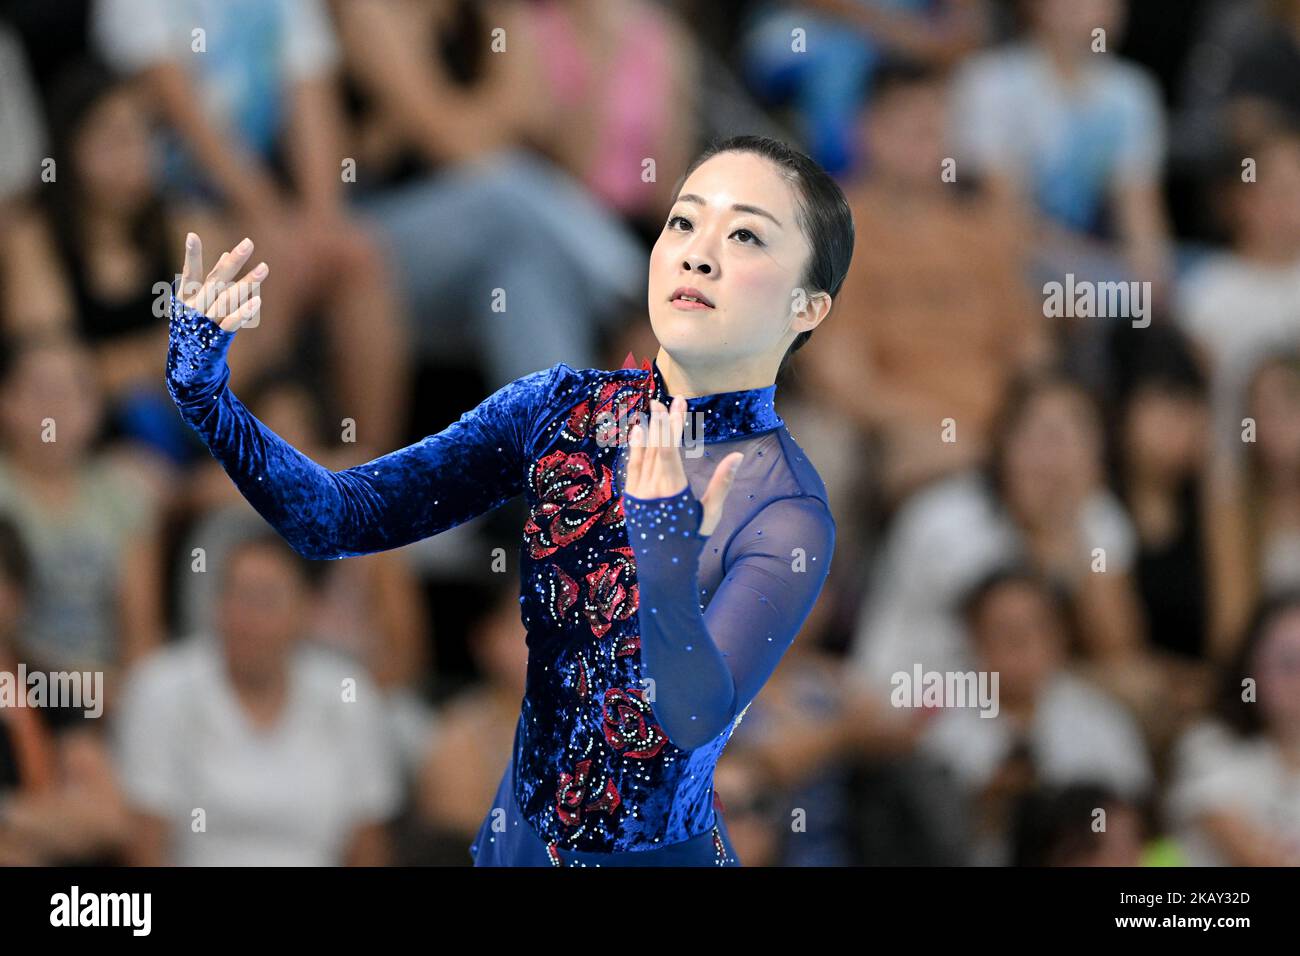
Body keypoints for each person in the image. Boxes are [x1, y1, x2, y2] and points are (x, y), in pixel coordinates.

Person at [161, 134, 851, 865]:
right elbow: (339, 517)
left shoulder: (786, 509)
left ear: (807, 307)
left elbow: (691, 715)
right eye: (683, 221)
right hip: (513, 842)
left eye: (745, 235)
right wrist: (208, 400)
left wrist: (665, 567)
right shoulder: (555, 410)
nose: (698, 252)